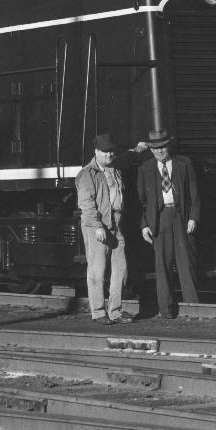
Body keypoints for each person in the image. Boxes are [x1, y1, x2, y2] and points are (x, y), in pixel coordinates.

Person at [76, 133, 147, 325]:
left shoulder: (114, 166)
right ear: (96, 152)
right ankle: (98, 312)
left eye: (111, 152)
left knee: (120, 269)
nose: (109, 155)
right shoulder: (86, 175)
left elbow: (127, 157)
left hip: (116, 223)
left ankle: (115, 311)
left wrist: (140, 148)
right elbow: (87, 204)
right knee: (97, 271)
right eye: (105, 152)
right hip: (97, 226)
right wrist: (98, 226)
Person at [138, 128, 201, 318]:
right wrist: (144, 225)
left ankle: (193, 308)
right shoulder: (145, 169)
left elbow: (195, 194)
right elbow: (141, 201)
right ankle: (166, 310)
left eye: (162, 147)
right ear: (150, 150)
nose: (159, 151)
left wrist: (193, 217)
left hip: (181, 216)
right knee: (162, 266)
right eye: (155, 148)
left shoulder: (184, 163)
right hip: (160, 219)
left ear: (168, 146)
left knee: (186, 264)